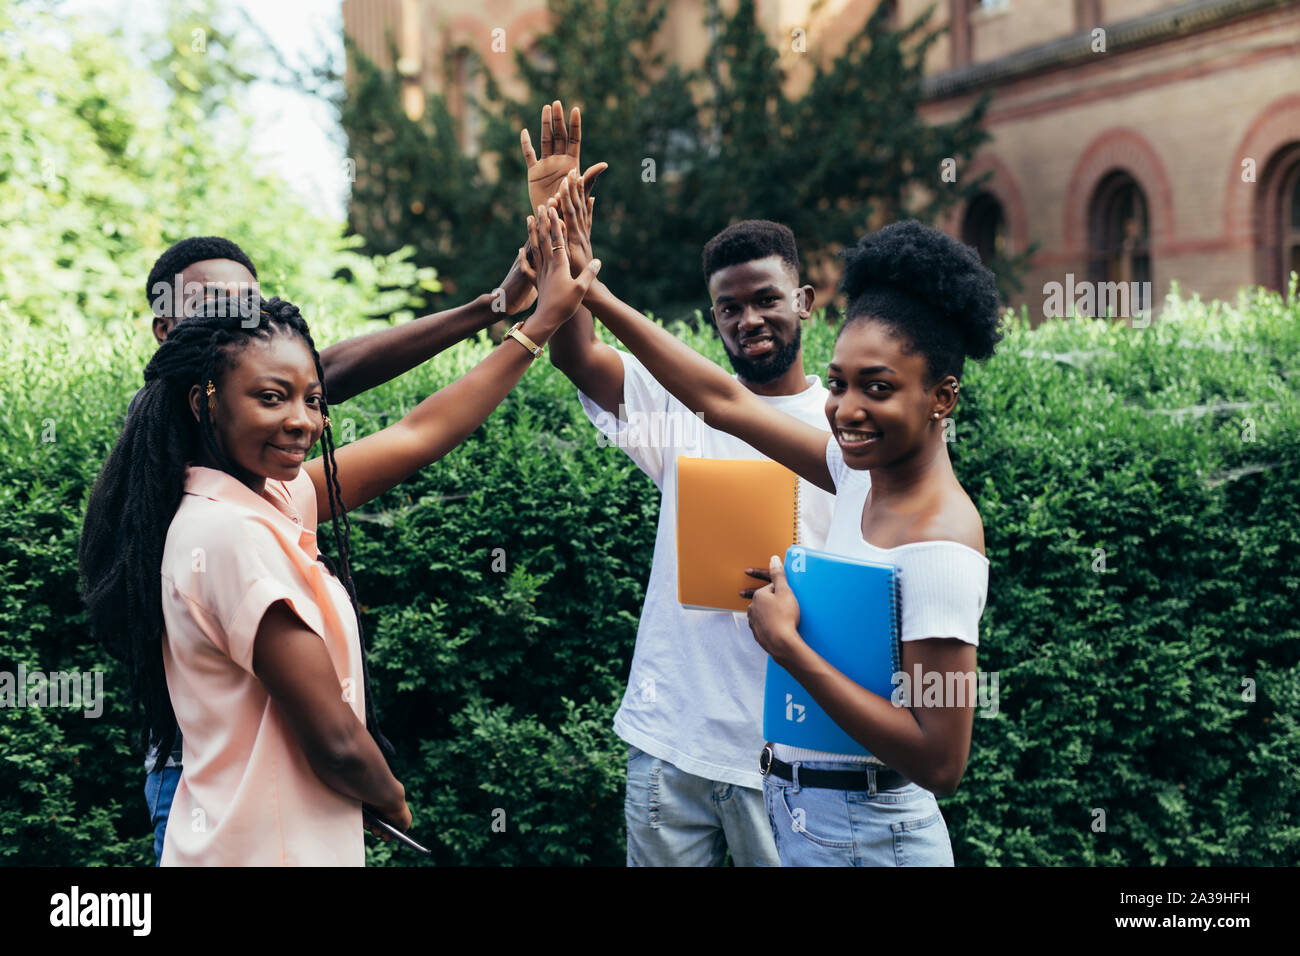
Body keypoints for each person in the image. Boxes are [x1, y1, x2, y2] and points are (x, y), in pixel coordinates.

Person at [80, 211, 598, 864]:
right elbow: (334, 738)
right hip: (215, 793)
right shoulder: (198, 506)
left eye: (252, 309)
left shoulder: (262, 490)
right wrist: (385, 793)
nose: (241, 326)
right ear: (174, 347)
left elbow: (413, 431)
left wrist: (507, 314)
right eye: (218, 313)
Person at [555, 171, 1002, 866]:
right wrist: (588, 285)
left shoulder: (940, 542)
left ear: (942, 397)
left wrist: (786, 646)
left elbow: (941, 761)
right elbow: (724, 403)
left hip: (868, 826)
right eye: (844, 382)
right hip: (808, 806)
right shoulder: (855, 473)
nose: (847, 408)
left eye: (876, 388)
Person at [522, 102, 836, 867]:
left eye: (767, 299)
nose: (750, 319)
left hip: (791, 752)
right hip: (673, 743)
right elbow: (579, 360)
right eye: (730, 308)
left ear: (805, 300)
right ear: (714, 318)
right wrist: (560, 249)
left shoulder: (843, 424)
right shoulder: (676, 401)